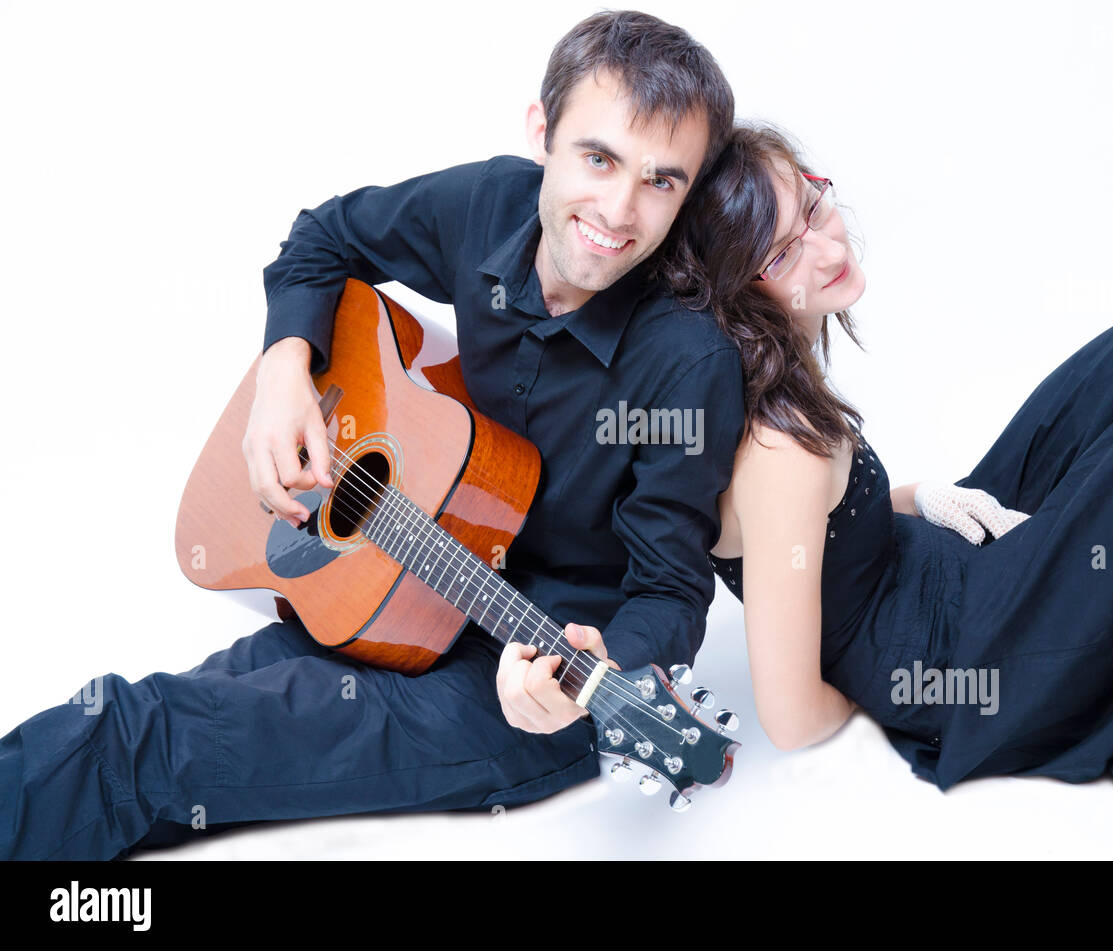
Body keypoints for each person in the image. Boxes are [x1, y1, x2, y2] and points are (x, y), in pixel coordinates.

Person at [0, 10, 745, 860]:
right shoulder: (488, 205)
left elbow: (670, 590)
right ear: (542, 132)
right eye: (598, 157)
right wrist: (285, 374)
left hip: (518, 674)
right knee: (123, 723)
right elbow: (325, 237)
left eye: (661, 181)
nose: (618, 211)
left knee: (145, 740)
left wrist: (596, 669)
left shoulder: (689, 362)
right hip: (392, 579)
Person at [655, 120, 1113, 819]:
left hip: (948, 569)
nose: (826, 244)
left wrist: (920, 499)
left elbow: (829, 533)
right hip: (972, 656)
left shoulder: (779, 378)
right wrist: (878, 693)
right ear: (740, 295)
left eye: (811, 208)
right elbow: (790, 715)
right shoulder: (782, 453)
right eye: (783, 255)